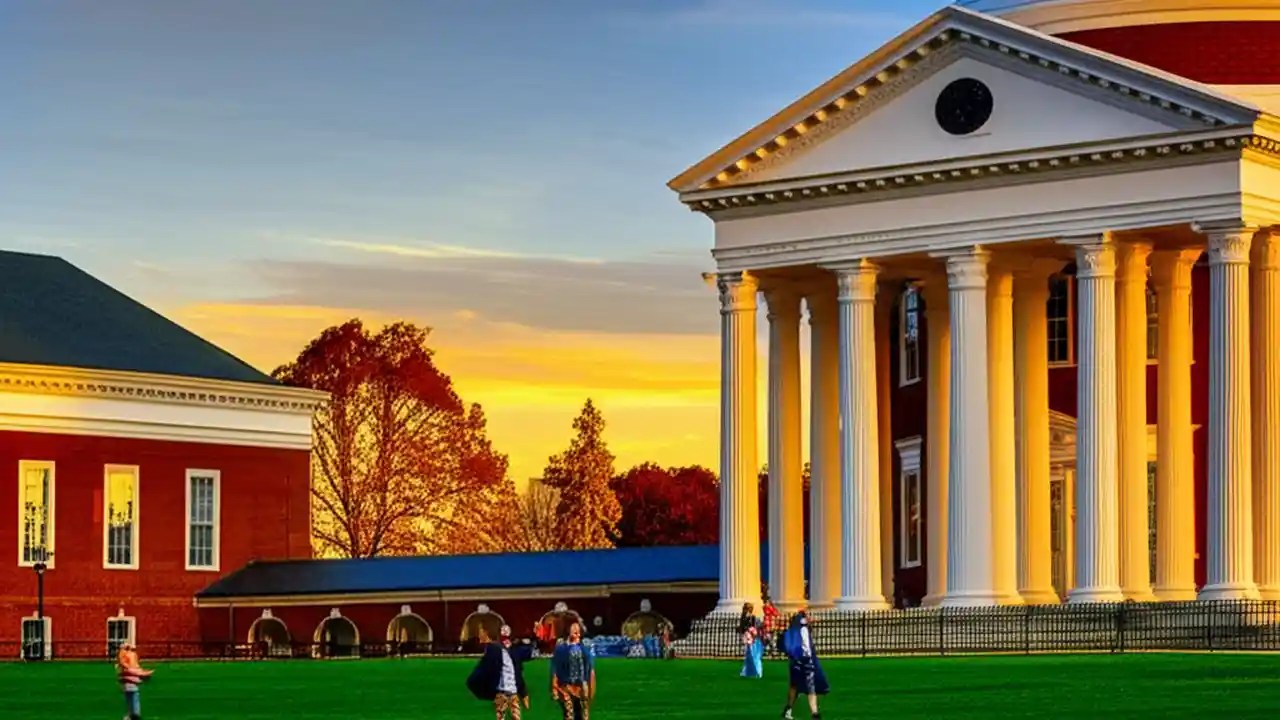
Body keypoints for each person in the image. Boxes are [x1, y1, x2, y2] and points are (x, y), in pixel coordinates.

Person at [467, 625, 531, 719]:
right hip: (507, 692)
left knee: (507, 716)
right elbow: (516, 670)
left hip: (507, 693)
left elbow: (516, 672)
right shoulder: (499, 649)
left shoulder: (497, 650)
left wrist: (523, 692)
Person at [778, 610, 828, 720]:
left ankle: (793, 709)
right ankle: (812, 713)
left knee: (796, 686)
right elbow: (810, 620)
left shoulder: (795, 627)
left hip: (797, 661)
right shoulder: (802, 624)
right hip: (804, 660)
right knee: (807, 687)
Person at [550, 621, 595, 720]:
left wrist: (590, 688)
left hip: (581, 686)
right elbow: (555, 668)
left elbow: (590, 669)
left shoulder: (584, 648)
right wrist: (554, 687)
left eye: (577, 628)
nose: (576, 629)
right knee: (568, 713)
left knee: (582, 715)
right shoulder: (560, 649)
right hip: (566, 686)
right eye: (573, 627)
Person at [115, 643, 153, 720]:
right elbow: (134, 668)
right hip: (131, 680)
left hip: (127, 681)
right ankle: (134, 715)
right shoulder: (131, 655)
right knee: (133, 697)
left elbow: (124, 666)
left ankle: (132, 715)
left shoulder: (123, 655)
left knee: (130, 698)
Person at [738, 602, 764, 678]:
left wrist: (752, 633)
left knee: (752, 654)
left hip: (752, 638)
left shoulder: (752, 617)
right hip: (747, 637)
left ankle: (756, 671)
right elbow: (742, 628)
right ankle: (747, 671)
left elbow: (754, 627)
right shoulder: (743, 617)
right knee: (748, 655)